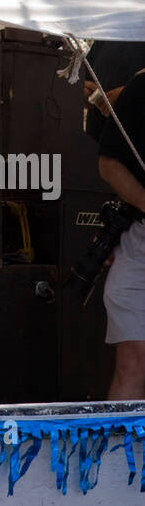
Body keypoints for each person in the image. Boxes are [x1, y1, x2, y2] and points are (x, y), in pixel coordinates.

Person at [97, 69, 145, 400]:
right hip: (140, 238)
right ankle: (120, 452)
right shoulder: (141, 86)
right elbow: (109, 164)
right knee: (131, 362)